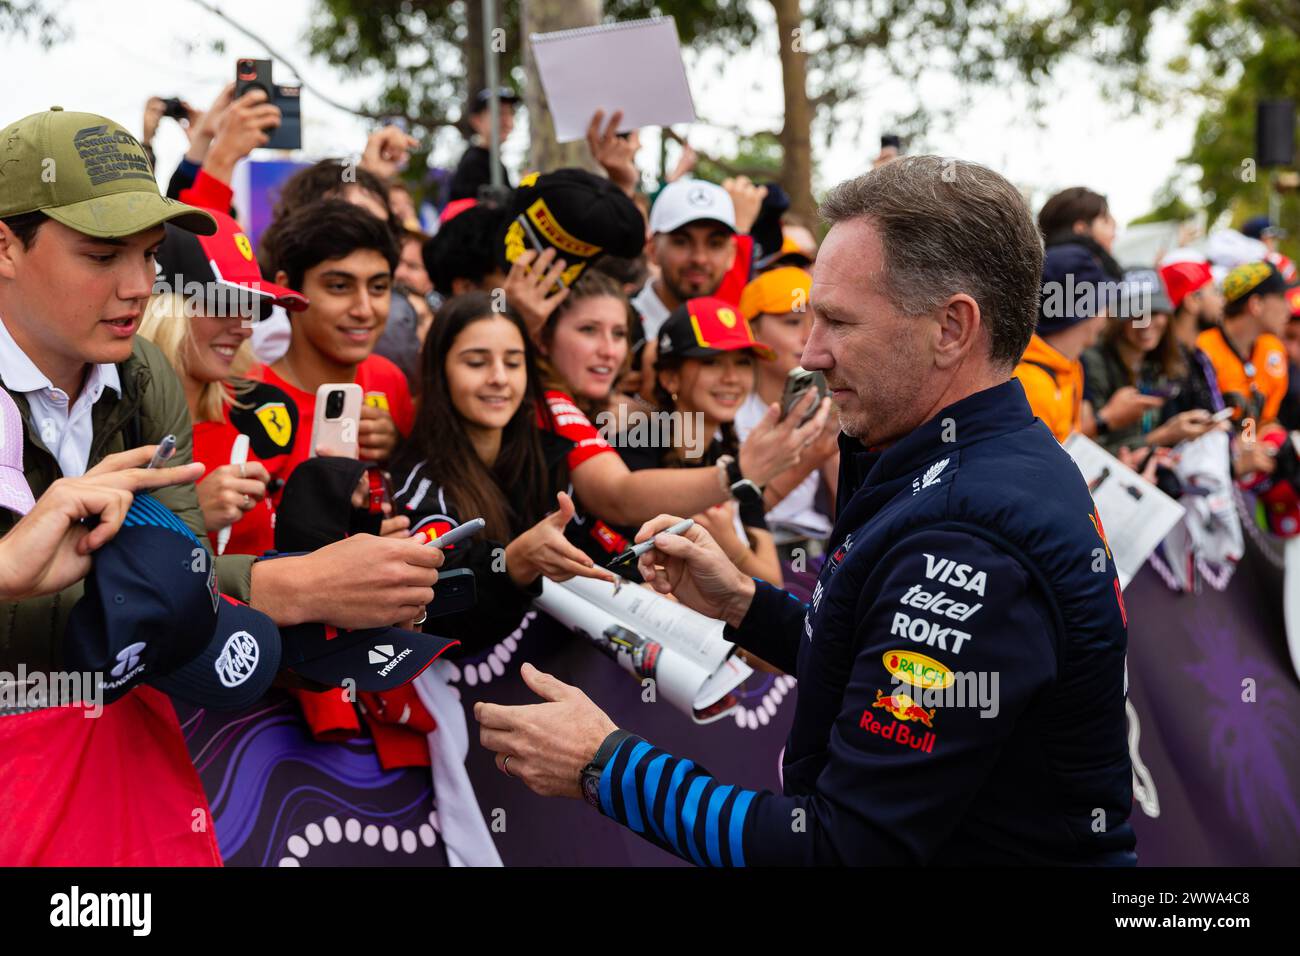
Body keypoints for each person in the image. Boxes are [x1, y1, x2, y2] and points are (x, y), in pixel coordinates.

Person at [475, 157, 1136, 866]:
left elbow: (840, 848)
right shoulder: (976, 453)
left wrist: (603, 765)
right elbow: (876, 663)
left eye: (837, 321)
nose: (810, 354)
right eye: (808, 318)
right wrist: (746, 606)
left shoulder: (969, 535)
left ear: (952, 328)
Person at [0, 108, 445, 673]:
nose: (140, 287)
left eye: (151, 254)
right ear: (7, 247)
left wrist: (331, 583)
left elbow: (180, 573)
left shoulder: (145, 371)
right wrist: (287, 585)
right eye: (103, 255)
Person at [389, 293, 614, 653]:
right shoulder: (414, 485)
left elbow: (598, 556)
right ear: (440, 370)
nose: (498, 378)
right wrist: (512, 565)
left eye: (513, 363)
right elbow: (442, 619)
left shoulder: (549, 455)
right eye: (476, 363)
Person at [141, 209, 308, 554]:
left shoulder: (263, 411)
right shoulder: (106, 420)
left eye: (249, 306)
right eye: (222, 304)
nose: (245, 327)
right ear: (164, 306)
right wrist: (189, 515)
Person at [619, 297, 784, 585]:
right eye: (712, 362)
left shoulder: (737, 462)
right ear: (670, 378)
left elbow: (774, 583)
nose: (732, 378)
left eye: (743, 362)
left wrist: (729, 545)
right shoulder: (632, 447)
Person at [256, 199, 414, 475]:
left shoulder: (389, 379)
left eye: (378, 287)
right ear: (287, 292)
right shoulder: (241, 398)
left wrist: (399, 449)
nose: (364, 310)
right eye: (340, 286)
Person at [736, 266, 839, 557]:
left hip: (815, 553)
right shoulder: (728, 409)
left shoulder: (829, 402)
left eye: (820, 322)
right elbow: (733, 517)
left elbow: (852, 511)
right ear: (752, 328)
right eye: (793, 322)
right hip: (755, 555)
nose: (809, 336)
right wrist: (809, 457)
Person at [1081, 271, 1219, 454]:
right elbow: (1088, 451)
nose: (1146, 324)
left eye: (1154, 312)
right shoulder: (1093, 364)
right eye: (1136, 314)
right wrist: (1162, 436)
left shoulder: (1166, 362)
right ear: (1118, 319)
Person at [1013, 243, 1112, 442]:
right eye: (1104, 302)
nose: (1108, 313)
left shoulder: (1069, 364)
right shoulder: (1033, 386)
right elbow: (1040, 471)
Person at [1196, 261, 1291, 425]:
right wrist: (1243, 445)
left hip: (1250, 442)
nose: (1288, 308)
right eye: (1281, 298)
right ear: (1256, 304)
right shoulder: (1204, 349)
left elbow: (1263, 423)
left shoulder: (1273, 349)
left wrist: (1267, 441)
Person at [449, 87, 519, 201]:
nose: (508, 121)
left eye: (511, 113)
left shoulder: (495, 163)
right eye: (500, 113)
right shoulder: (473, 163)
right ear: (477, 121)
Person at [1037, 185, 1122, 279]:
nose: (1113, 234)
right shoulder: (1071, 259)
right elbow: (1110, 291)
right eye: (1105, 221)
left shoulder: (1058, 258)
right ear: (1082, 229)